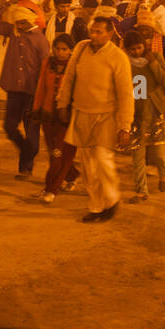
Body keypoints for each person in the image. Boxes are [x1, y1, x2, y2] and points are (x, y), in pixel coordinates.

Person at [55, 16, 133, 222]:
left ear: (110, 34)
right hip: (81, 114)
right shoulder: (81, 48)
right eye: (92, 31)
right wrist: (62, 103)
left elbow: (126, 94)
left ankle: (112, 200)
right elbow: (69, 77)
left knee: (103, 160)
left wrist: (125, 126)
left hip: (106, 117)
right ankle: (96, 207)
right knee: (88, 166)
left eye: (99, 32)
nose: (94, 35)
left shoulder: (118, 57)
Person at [0, 4, 49, 180]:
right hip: (14, 89)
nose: (18, 25)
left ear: (29, 21)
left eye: (21, 22)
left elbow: (45, 68)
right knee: (9, 127)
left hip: (32, 92)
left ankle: (25, 169)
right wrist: (3, 6)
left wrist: (43, 94)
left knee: (31, 130)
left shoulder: (40, 40)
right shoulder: (14, 33)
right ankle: (26, 150)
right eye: (16, 22)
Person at [32, 33, 79, 203]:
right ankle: (72, 175)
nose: (60, 52)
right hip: (48, 115)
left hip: (66, 118)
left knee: (58, 155)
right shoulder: (48, 63)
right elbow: (41, 88)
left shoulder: (76, 66)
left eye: (64, 49)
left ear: (71, 50)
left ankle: (51, 189)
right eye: (57, 49)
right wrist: (36, 110)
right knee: (55, 153)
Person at [124, 31, 165, 201]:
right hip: (136, 113)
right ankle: (141, 190)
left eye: (139, 47)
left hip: (155, 110)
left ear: (144, 45)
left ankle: (164, 173)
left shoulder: (156, 57)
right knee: (137, 154)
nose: (137, 52)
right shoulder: (126, 64)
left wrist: (152, 63)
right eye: (133, 49)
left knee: (158, 149)